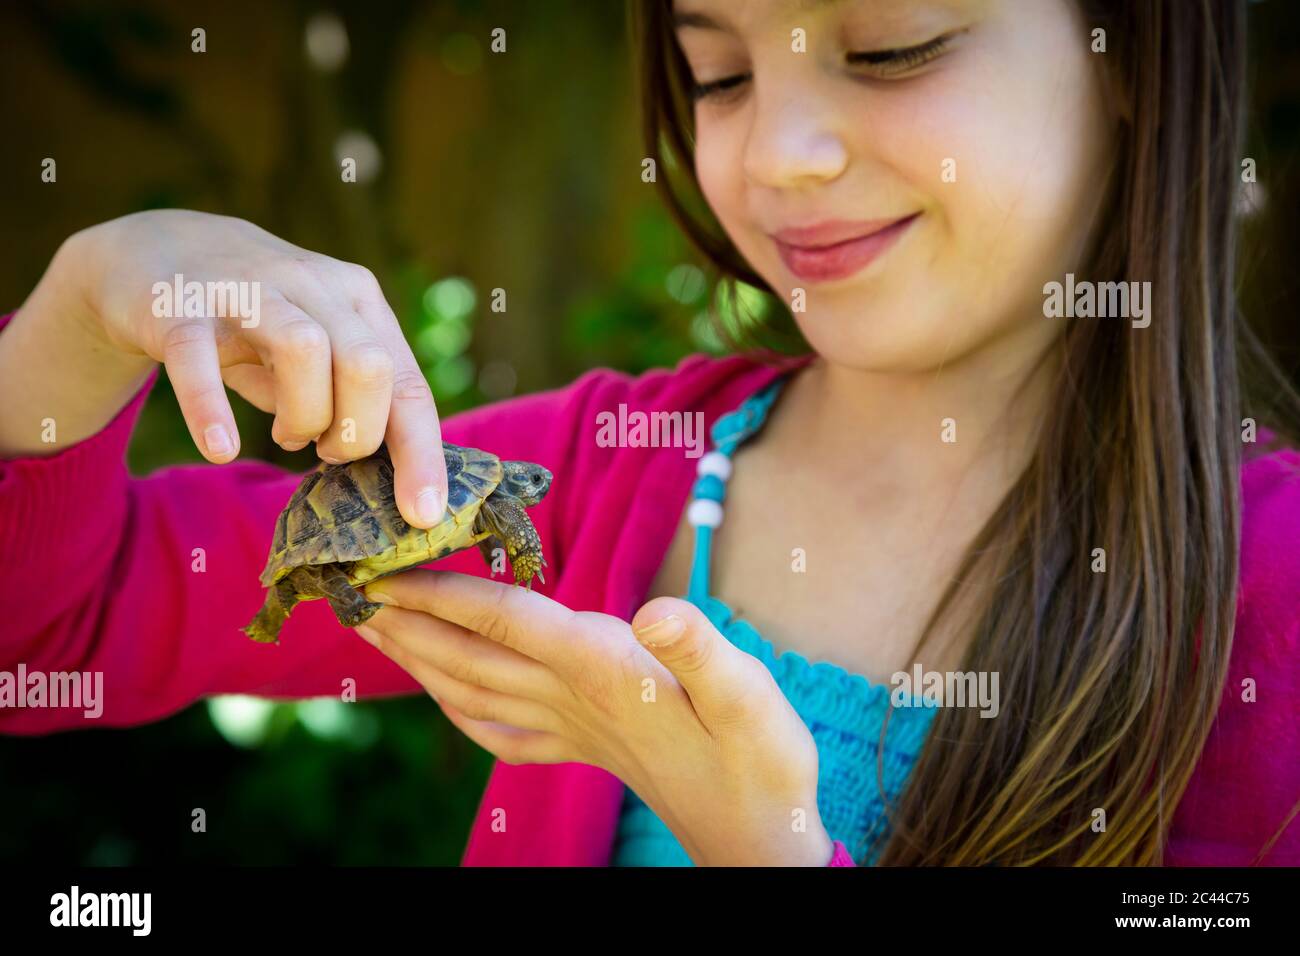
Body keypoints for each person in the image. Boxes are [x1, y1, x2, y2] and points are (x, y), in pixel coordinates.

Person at [2, 0, 1297, 866]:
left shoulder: (1269, 594)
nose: (778, 152)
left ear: (1130, 52)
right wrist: (81, 312)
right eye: (717, 72)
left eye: (893, 45)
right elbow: (47, 635)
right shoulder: (601, 468)